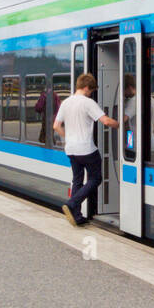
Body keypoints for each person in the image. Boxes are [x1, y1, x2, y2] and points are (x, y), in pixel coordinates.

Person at [52, 72, 118, 226]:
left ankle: (77, 216)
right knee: (96, 178)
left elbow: (56, 126)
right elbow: (106, 121)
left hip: (71, 149)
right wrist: (120, 124)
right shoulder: (88, 103)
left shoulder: (66, 102)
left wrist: (67, 138)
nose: (91, 93)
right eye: (91, 91)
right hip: (86, 149)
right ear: (87, 87)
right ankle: (72, 203)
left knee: (77, 180)